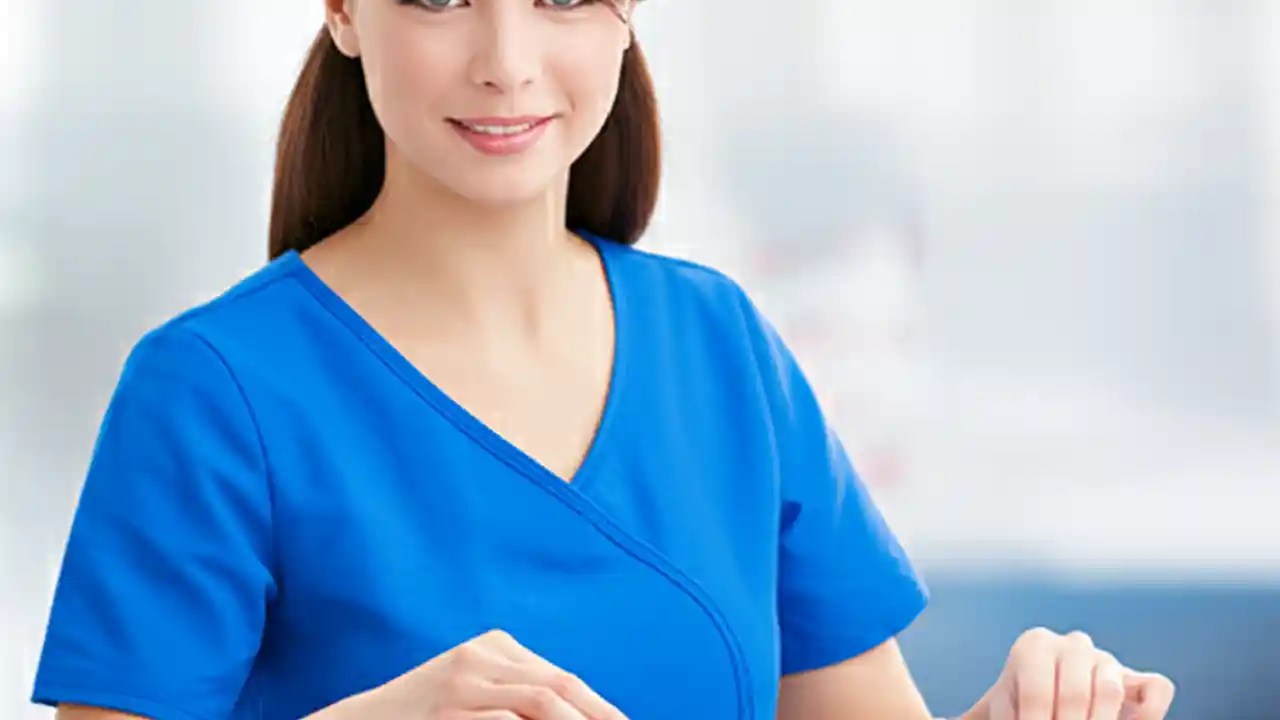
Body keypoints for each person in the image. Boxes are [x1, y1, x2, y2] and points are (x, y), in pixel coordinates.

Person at [31, 1, 1175, 718]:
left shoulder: (719, 345)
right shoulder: (210, 391)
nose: (505, 62)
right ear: (341, 11)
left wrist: (1019, 713)